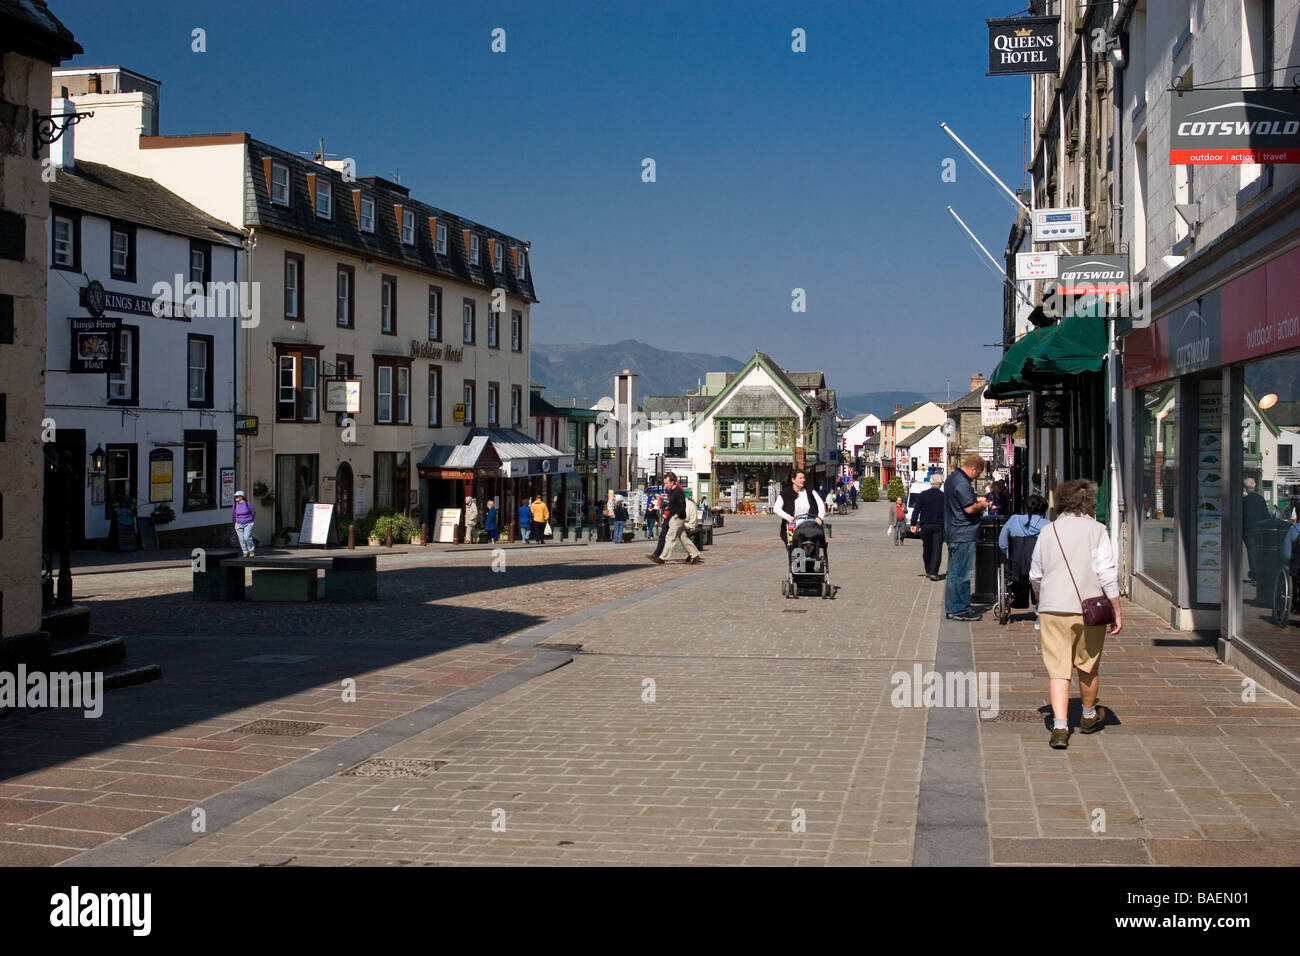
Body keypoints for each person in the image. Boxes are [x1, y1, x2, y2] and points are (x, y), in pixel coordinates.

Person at [1030, 478, 1122, 750]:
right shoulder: (1098, 530)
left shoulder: (1048, 531)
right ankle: (1089, 715)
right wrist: (1116, 608)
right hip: (1089, 609)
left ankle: (1059, 727)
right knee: (1088, 665)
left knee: (1058, 670)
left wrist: (1041, 595)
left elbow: (1036, 573)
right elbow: (1106, 572)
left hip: (1053, 609)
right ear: (1089, 502)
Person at [943, 453, 991, 621]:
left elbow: (961, 501)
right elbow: (969, 509)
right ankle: (959, 609)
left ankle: (952, 607)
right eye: (977, 474)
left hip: (953, 531)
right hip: (963, 532)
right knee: (963, 573)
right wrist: (982, 504)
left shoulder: (952, 478)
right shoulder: (962, 483)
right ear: (973, 469)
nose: (976, 477)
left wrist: (974, 499)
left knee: (954, 573)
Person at [1000, 493, 1051, 628]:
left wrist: (1009, 555)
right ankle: (1040, 605)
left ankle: (1020, 600)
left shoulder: (1014, 519)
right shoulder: (1048, 525)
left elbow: (1002, 543)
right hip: (1041, 567)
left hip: (1017, 565)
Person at [773, 469, 825, 559]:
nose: (803, 480)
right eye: (800, 478)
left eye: (804, 478)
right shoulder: (786, 493)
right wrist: (788, 517)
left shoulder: (809, 491)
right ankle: (796, 565)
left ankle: (811, 560)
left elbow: (820, 504)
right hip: (792, 525)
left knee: (812, 546)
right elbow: (776, 508)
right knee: (794, 549)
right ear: (793, 480)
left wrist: (820, 518)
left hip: (809, 524)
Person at [909, 473, 945, 580]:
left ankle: (928, 570)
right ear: (940, 484)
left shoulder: (923, 495)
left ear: (931, 483)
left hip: (925, 524)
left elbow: (916, 510)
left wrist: (913, 523)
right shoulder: (944, 496)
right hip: (939, 525)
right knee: (937, 549)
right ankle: (934, 572)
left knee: (927, 547)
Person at [660, 472, 702, 565]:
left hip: (678, 518)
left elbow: (682, 506)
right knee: (683, 537)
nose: (665, 485)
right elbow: (674, 504)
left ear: (672, 482)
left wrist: (677, 514)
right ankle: (695, 555)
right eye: (665, 483)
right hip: (674, 516)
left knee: (670, 537)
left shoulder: (678, 491)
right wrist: (668, 508)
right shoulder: (671, 491)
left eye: (667, 483)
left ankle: (663, 557)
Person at [1242, 477, 1270, 582]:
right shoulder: (1260, 499)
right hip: (1259, 528)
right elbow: (1266, 515)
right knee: (1259, 550)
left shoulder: (1243, 500)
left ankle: (1254, 572)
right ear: (1254, 485)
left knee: (1251, 551)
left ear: (1245, 487)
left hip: (1248, 529)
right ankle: (1261, 571)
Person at [646, 491, 672, 563]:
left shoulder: (675, 497)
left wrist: (666, 514)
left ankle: (660, 556)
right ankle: (657, 555)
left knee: (680, 538)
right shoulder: (669, 499)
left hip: (673, 521)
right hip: (668, 520)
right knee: (662, 537)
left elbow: (674, 509)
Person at [233, 490, 256, 557]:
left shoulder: (247, 503)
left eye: (237, 496)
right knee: (241, 539)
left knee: (247, 537)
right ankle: (245, 552)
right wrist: (238, 519)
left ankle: (251, 551)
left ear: (241, 497)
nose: (236, 497)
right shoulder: (235, 505)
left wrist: (250, 519)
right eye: (235, 496)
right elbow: (234, 513)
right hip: (238, 524)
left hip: (248, 523)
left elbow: (253, 512)